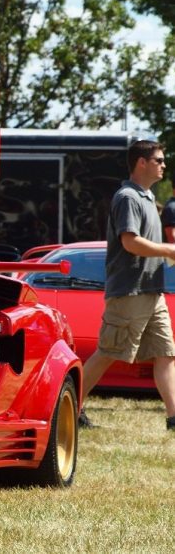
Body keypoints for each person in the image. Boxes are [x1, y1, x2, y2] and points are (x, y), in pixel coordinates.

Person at [81, 140, 175, 431]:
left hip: (151, 291)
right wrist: (168, 250)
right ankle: (67, 405)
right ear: (141, 163)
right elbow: (130, 242)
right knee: (108, 352)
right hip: (130, 291)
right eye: (158, 160)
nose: (163, 165)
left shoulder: (147, 198)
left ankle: (174, 419)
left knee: (167, 354)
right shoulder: (128, 198)